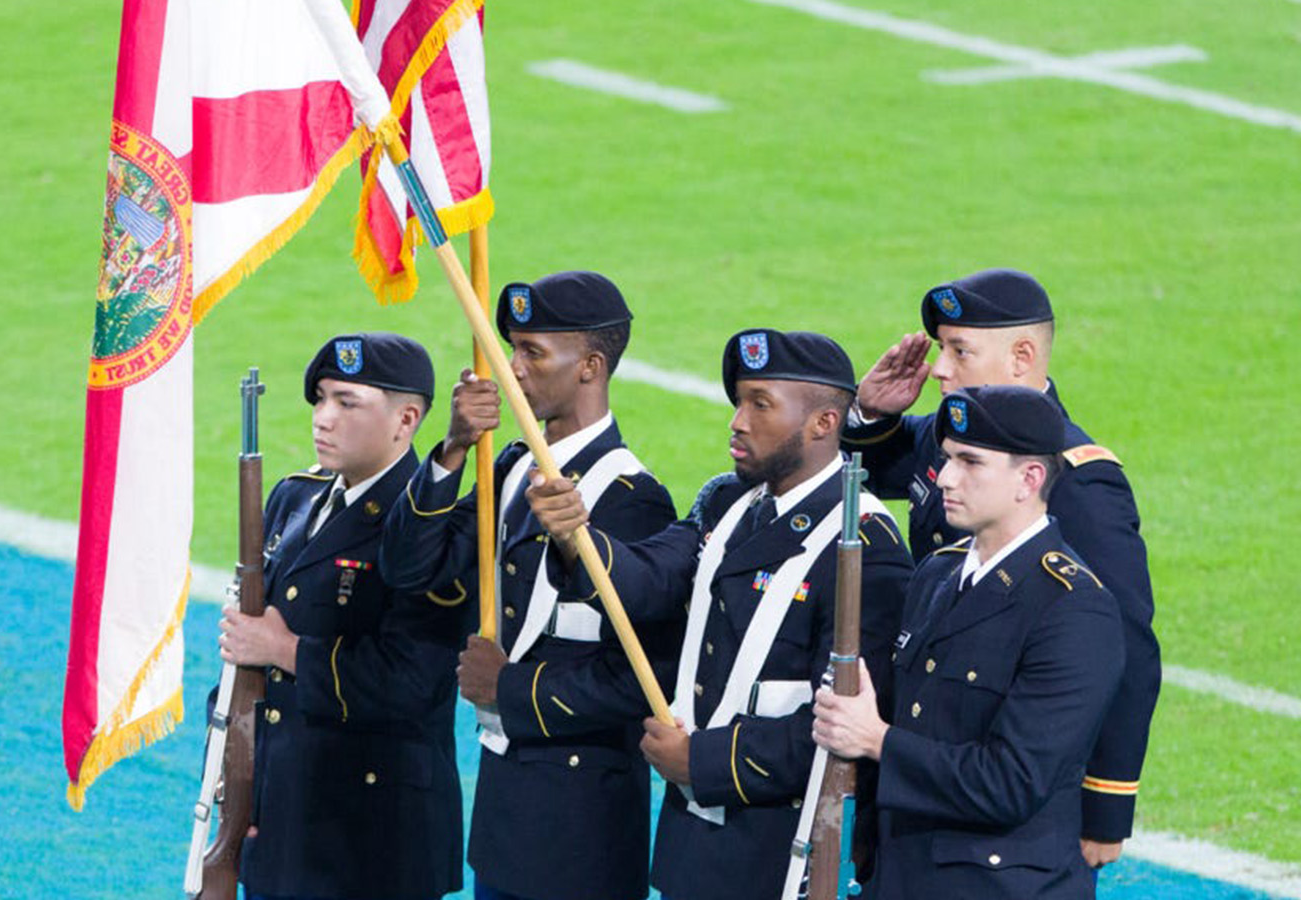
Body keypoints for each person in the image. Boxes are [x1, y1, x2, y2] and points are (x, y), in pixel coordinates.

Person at [523, 328, 912, 900]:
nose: (737, 421)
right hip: (696, 850)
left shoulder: (865, 548)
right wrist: (574, 536)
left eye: (761, 404)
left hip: (778, 856)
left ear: (824, 424)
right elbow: (652, 576)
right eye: (738, 401)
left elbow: (842, 736)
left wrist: (700, 762)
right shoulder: (730, 503)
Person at [845, 269, 1160, 863]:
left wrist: (1107, 807)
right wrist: (871, 413)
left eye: (959, 350)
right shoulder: (951, 431)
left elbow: (1128, 647)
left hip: (1017, 783)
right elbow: (869, 468)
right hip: (935, 765)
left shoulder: (1081, 480)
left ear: (1021, 357)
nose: (940, 368)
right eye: (941, 349)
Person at [383, 272, 679, 900]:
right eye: (512, 348)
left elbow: (645, 677)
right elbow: (412, 569)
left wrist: (509, 687)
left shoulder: (632, 499)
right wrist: (455, 450)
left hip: (580, 829)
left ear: (590, 366)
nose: (511, 369)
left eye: (533, 352)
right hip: (505, 815)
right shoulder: (514, 465)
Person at [812, 385, 1124, 900]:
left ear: (1030, 479)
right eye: (947, 459)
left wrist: (875, 738)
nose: (946, 479)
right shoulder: (938, 572)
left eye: (970, 463)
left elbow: (1011, 782)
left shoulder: (1074, 609)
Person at [217, 331, 469, 900]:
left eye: (346, 402)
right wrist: (240, 806)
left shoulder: (432, 529)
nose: (322, 419)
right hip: (283, 822)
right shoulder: (294, 496)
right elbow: (248, 678)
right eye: (321, 398)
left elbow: (412, 681)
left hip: (373, 839)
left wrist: (282, 649)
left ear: (406, 420)